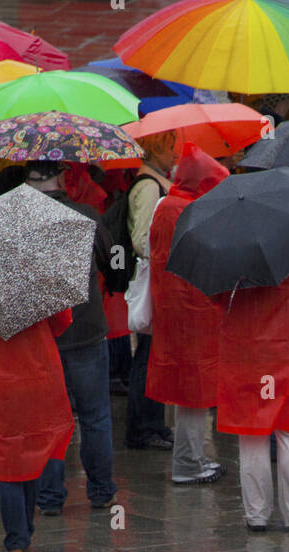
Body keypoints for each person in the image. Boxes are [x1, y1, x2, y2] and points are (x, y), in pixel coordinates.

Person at [26, 162, 118, 516]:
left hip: (41, 335)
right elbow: (112, 261)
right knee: (95, 416)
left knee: (47, 419)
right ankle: (101, 491)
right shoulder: (86, 216)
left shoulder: (19, 222)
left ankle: (49, 498)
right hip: (86, 330)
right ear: (63, 180)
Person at [214, 254, 289, 532]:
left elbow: (217, 297)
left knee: (252, 435)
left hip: (247, 348)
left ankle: (256, 515)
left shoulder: (231, 244)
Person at [0, 305, 74, 552]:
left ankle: (16, 538)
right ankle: (25, 529)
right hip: (35, 371)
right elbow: (61, 322)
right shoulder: (39, 276)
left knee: (4, 457)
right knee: (34, 449)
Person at [146, 141, 227, 485]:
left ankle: (189, 459)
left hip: (175, 310)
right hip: (195, 313)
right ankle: (188, 464)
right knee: (195, 393)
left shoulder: (169, 206)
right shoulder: (187, 211)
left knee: (187, 391)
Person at [124, 131, 176, 450]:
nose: (175, 154)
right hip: (152, 281)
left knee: (153, 355)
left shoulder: (153, 183)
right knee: (147, 356)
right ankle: (144, 428)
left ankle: (153, 423)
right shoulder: (148, 187)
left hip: (156, 280)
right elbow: (142, 240)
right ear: (155, 150)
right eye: (170, 148)